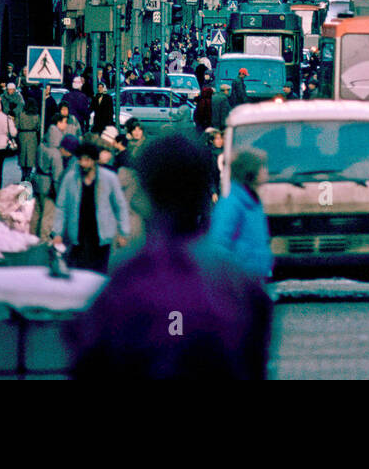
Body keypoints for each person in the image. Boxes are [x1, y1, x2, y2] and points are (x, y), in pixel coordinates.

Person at [66, 133, 273, 379]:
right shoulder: (241, 286)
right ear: (204, 194)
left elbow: (89, 362)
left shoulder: (122, 285)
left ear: (145, 194)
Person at [51, 143, 131, 274]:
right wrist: (57, 233)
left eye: (87, 160)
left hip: (101, 234)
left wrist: (123, 232)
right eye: (80, 159)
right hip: (77, 233)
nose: (83, 163)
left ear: (94, 161)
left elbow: (120, 205)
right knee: (77, 272)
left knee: (98, 273)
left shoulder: (109, 178)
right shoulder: (70, 178)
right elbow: (61, 206)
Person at [209, 147, 273, 282]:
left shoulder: (253, 202)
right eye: (262, 167)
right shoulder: (232, 204)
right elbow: (219, 242)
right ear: (250, 171)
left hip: (255, 278)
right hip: (239, 280)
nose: (266, 171)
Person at [30, 124, 65, 240]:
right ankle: (44, 239)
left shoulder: (40, 146)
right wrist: (58, 192)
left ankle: (32, 235)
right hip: (48, 185)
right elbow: (57, 176)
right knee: (48, 215)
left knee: (36, 212)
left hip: (37, 182)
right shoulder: (56, 154)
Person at [15, 98, 41, 179]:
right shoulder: (36, 116)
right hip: (32, 136)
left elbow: (16, 125)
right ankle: (28, 174)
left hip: (22, 135)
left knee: (23, 155)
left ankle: (23, 173)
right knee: (31, 156)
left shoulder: (20, 114)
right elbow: (38, 127)